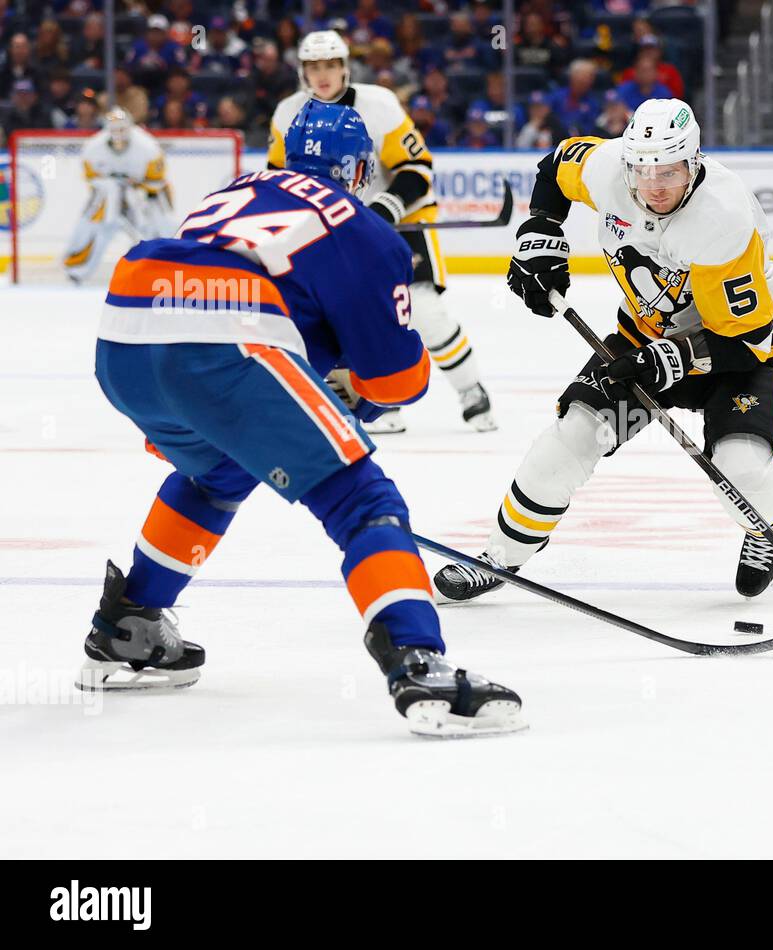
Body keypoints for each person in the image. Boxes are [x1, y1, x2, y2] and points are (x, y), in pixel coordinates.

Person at [79, 99, 524, 739]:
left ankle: (130, 624)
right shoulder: (359, 227)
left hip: (126, 328)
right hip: (222, 338)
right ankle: (418, 661)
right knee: (363, 499)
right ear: (360, 168)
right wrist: (355, 391)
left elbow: (264, 299)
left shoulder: (238, 189)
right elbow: (397, 381)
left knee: (216, 473)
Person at [434, 99, 773, 602]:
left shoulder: (722, 217)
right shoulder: (608, 170)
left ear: (695, 163)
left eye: (669, 171)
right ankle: (500, 557)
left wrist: (672, 359)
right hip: (641, 340)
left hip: (736, 350)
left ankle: (767, 530)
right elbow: (558, 164)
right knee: (570, 440)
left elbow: (743, 339)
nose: (655, 186)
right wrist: (540, 229)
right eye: (644, 171)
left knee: (741, 469)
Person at [269, 30, 496, 434]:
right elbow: (278, 174)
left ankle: (471, 390)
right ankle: (374, 400)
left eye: (330, 65)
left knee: (422, 309)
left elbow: (417, 167)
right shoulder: (287, 113)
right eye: (313, 67)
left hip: (396, 222)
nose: (323, 75)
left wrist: (383, 207)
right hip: (329, 228)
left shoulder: (379, 104)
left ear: (345, 68)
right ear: (303, 71)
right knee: (338, 311)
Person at [62, 108, 175, 284]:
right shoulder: (93, 148)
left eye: (122, 129)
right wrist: (115, 186)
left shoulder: (148, 147)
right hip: (108, 197)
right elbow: (92, 179)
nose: (118, 134)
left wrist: (134, 190)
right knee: (91, 225)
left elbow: (157, 181)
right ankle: (77, 269)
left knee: (161, 224)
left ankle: (165, 268)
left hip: (142, 194)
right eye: (114, 129)